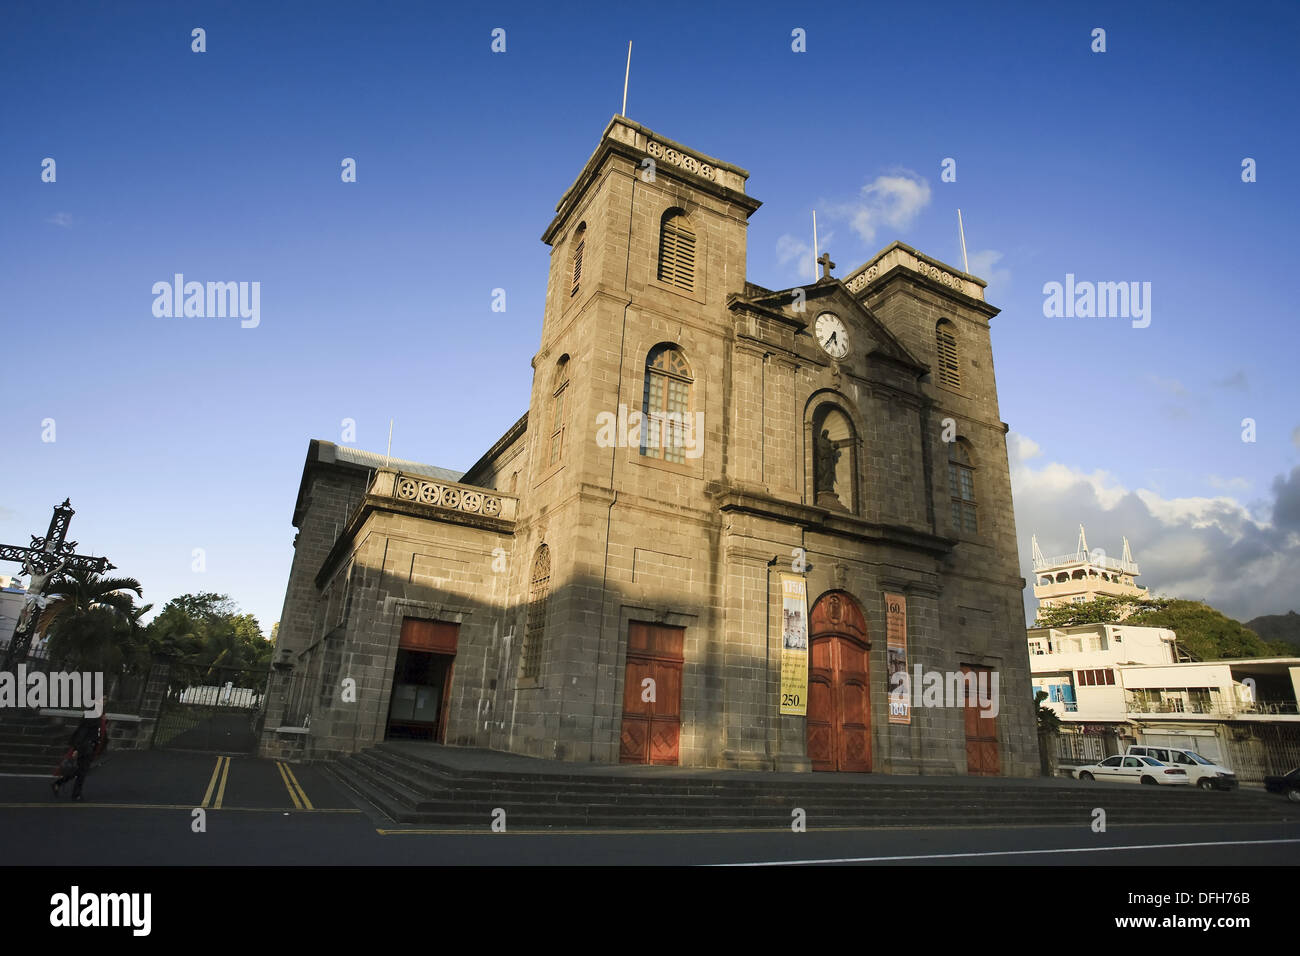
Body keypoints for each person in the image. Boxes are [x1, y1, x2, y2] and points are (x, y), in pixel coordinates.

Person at [51, 707, 108, 801]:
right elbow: (82, 732)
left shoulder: (100, 713)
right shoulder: (91, 714)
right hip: (85, 747)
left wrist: (104, 722)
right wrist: (76, 749)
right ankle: (75, 794)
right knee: (82, 771)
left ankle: (59, 784)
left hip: (91, 747)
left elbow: (98, 731)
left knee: (81, 770)